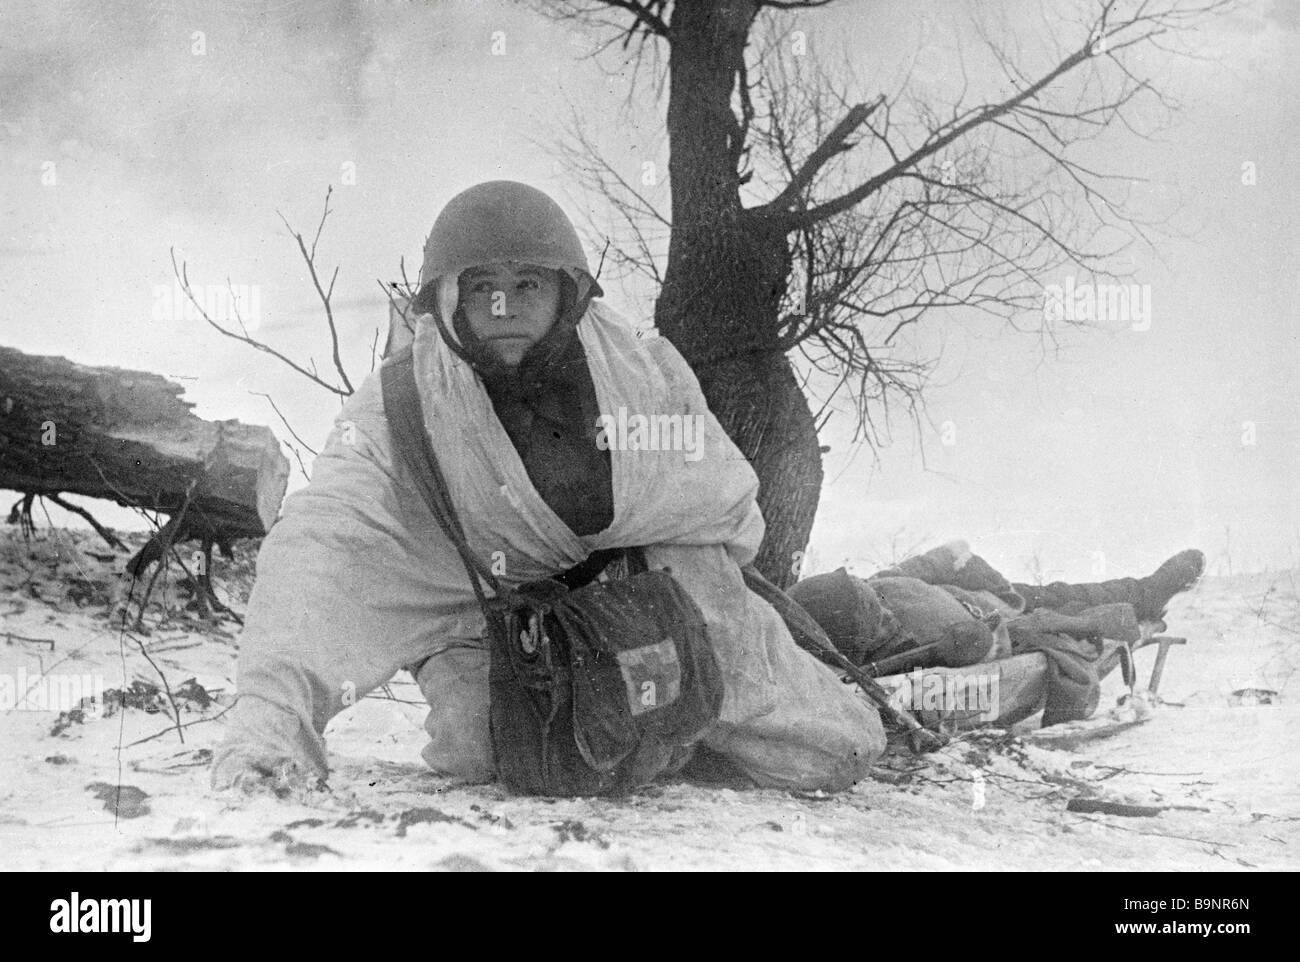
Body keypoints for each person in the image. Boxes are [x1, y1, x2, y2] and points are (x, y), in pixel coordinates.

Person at [211, 180, 885, 795]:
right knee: (491, 757)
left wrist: (634, 602)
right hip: (487, 615)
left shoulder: (637, 373)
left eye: (527, 284)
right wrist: (269, 728)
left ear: (567, 294)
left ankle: (855, 617)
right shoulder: (399, 404)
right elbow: (323, 545)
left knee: (833, 754)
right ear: (444, 304)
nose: (504, 306)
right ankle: (653, 734)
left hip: (648, 590)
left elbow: (724, 507)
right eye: (480, 288)